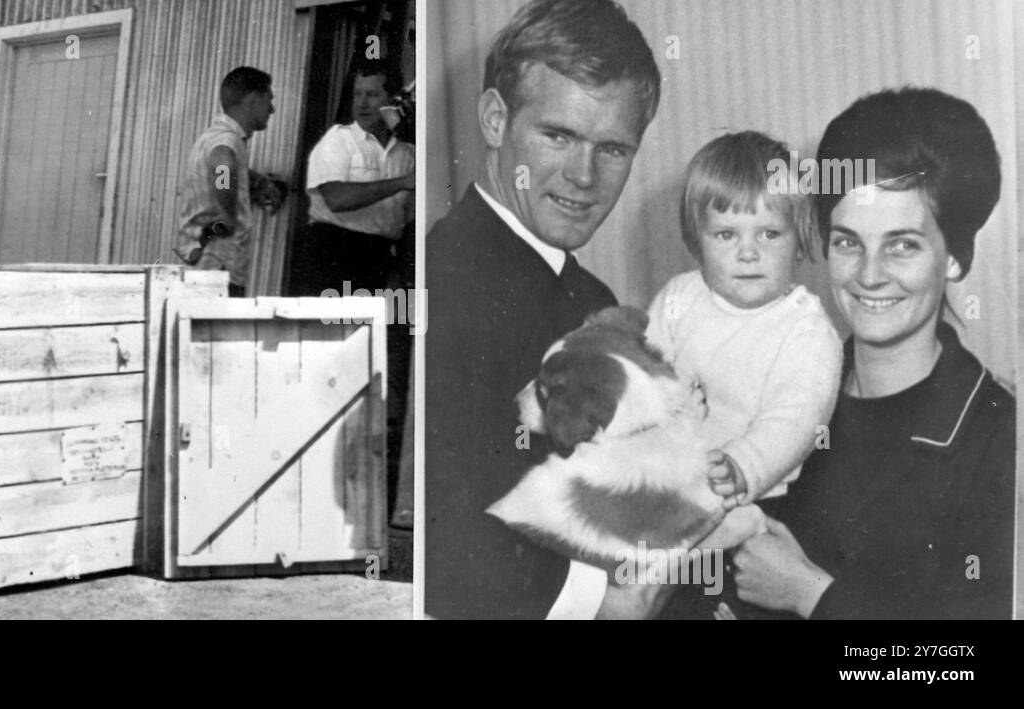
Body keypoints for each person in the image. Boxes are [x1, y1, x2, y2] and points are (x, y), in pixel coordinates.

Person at [724, 88, 1014, 619]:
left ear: (955, 257)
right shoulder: (776, 383)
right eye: (848, 242)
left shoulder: (998, 439)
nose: (869, 275)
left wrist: (813, 595)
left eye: (903, 244)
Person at [424, 0, 662, 619]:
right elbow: (445, 552)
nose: (583, 175)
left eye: (612, 149)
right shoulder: (437, 287)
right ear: (496, 119)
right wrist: (610, 597)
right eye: (558, 136)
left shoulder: (594, 301)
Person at [645, 132, 842, 520]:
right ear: (696, 242)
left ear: (800, 240)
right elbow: (643, 371)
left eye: (770, 234)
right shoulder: (678, 299)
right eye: (726, 235)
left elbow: (796, 418)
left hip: (757, 499)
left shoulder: (806, 330)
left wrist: (743, 464)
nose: (749, 253)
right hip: (668, 481)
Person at [293, 59, 415, 296]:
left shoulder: (408, 154)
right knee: (330, 331)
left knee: (372, 332)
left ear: (393, 102)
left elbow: (408, 222)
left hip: (378, 259)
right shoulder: (339, 139)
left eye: (372, 94)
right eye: (357, 94)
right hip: (331, 256)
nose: (362, 103)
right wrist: (402, 183)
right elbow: (337, 199)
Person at [175, 66, 280, 297]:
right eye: (269, 99)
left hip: (204, 264)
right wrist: (227, 213)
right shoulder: (227, 140)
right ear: (253, 99)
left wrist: (256, 180)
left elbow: (224, 166)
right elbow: (222, 165)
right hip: (219, 268)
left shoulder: (213, 137)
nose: (271, 109)